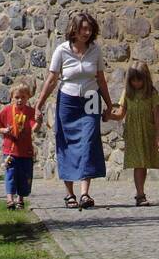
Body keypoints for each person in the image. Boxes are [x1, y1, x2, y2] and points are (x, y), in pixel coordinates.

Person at [34, 12, 113, 209]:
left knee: (89, 141)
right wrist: (39, 105)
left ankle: (85, 193)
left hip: (91, 99)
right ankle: (69, 194)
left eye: (90, 29)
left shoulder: (95, 50)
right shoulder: (62, 50)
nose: (87, 32)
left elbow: (101, 79)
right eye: (83, 29)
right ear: (74, 30)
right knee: (66, 143)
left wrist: (109, 105)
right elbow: (52, 80)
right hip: (68, 100)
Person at [112, 62, 159, 206]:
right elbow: (121, 113)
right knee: (138, 164)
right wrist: (109, 115)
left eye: (139, 80)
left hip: (147, 131)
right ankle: (140, 194)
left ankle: (141, 193)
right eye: (133, 80)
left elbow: (157, 115)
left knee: (143, 163)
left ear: (145, 79)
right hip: (133, 133)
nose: (136, 83)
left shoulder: (152, 93)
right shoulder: (127, 93)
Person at [0, 79, 39, 210]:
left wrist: (40, 122)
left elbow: (34, 129)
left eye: (23, 97)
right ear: (12, 97)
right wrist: (5, 130)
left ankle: (20, 199)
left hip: (26, 151)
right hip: (10, 150)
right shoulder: (6, 111)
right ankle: (10, 198)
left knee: (24, 176)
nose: (20, 100)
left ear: (28, 98)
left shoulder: (30, 112)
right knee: (10, 174)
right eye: (17, 97)